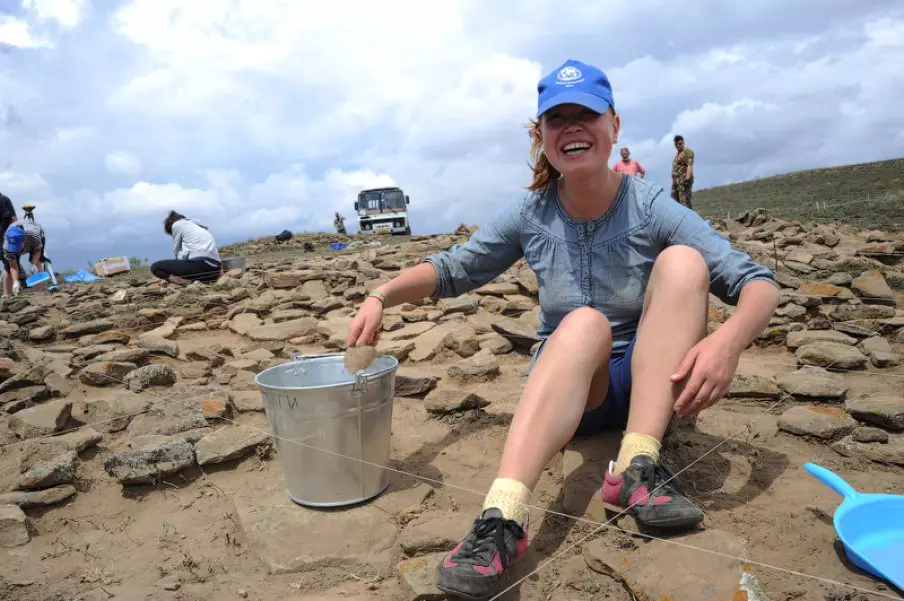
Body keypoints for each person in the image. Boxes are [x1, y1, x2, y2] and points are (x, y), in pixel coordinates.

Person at [346, 59, 779, 599]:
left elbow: (757, 283)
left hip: (653, 386)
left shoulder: (650, 205)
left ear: (613, 127)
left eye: (586, 114)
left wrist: (726, 341)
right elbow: (454, 269)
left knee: (686, 263)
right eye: (557, 118)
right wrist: (379, 295)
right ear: (542, 136)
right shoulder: (530, 213)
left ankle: (638, 466)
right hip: (576, 392)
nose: (572, 126)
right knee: (584, 323)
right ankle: (502, 517)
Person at [150, 211, 222, 284]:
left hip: (201, 266)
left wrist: (173, 271)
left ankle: (186, 283)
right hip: (215, 271)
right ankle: (197, 282)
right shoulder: (197, 226)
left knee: (155, 267)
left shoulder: (177, 225)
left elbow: (176, 251)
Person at [3, 217, 44, 297]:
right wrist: (15, 281)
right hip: (16, 237)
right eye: (14, 247)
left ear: (24, 239)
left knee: (38, 263)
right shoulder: (7, 246)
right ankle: (7, 295)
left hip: (36, 234)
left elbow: (37, 251)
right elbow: (13, 266)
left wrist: (34, 264)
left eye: (18, 246)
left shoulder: (34, 236)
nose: (16, 250)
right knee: (7, 267)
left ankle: (38, 293)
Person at [671, 134, 695, 209]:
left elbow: (689, 165)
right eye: (676, 144)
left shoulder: (688, 152)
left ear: (683, 142)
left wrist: (687, 179)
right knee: (675, 204)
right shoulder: (677, 155)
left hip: (683, 182)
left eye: (680, 143)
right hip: (676, 184)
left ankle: (690, 220)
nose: (678, 145)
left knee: (685, 204)